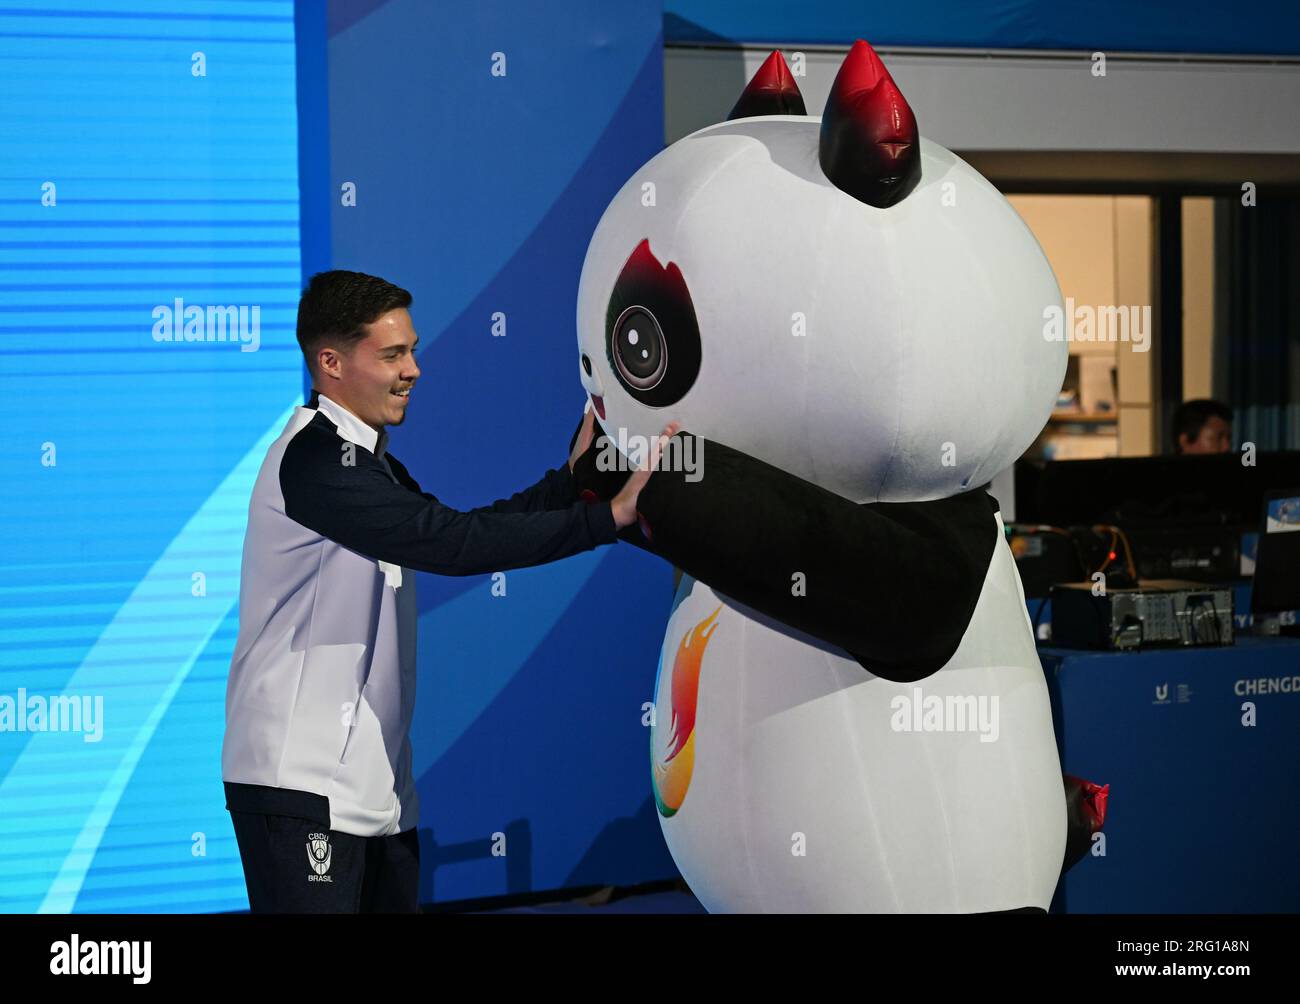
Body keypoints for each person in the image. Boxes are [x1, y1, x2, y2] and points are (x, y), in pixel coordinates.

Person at [221, 270, 675, 913]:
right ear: (330, 362)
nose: (413, 369)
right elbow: (453, 544)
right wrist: (608, 519)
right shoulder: (314, 461)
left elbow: (463, 525)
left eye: (410, 349)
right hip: (301, 787)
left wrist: (568, 485)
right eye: (391, 354)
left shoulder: (368, 462)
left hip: (375, 789)